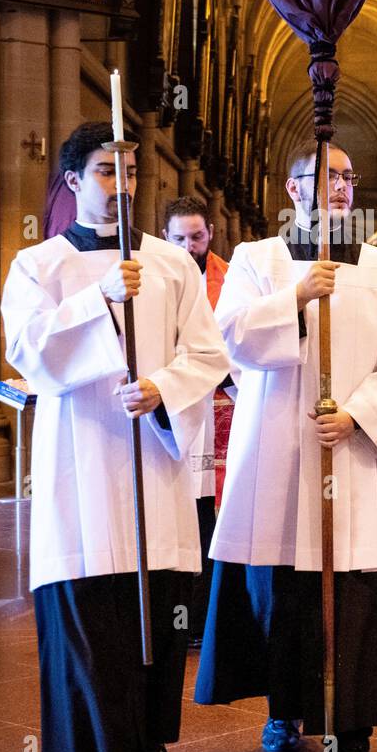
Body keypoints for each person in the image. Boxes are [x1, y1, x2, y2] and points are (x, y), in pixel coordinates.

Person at [1, 121, 230, 752]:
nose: (122, 186)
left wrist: (163, 388)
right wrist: (98, 296)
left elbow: (208, 352)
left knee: (156, 620)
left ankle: (145, 740)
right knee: (84, 632)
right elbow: (29, 355)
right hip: (80, 481)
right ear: (72, 180)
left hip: (153, 476)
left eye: (130, 172)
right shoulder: (38, 265)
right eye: (106, 171)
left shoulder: (171, 265)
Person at [195, 144, 377, 752]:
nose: (343, 187)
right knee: (282, 597)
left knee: (351, 600)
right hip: (277, 456)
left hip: (348, 453)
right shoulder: (256, 260)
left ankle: (352, 737)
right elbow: (228, 336)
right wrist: (296, 296)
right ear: (294, 188)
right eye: (329, 177)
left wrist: (358, 415)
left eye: (350, 177)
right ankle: (284, 711)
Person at [162, 196, 235, 646]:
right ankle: (179, 615)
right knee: (177, 509)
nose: (190, 246)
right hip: (174, 411)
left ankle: (210, 617)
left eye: (197, 237)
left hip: (224, 410)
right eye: (179, 238)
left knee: (214, 515)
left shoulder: (232, 278)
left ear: (211, 232)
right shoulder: (155, 277)